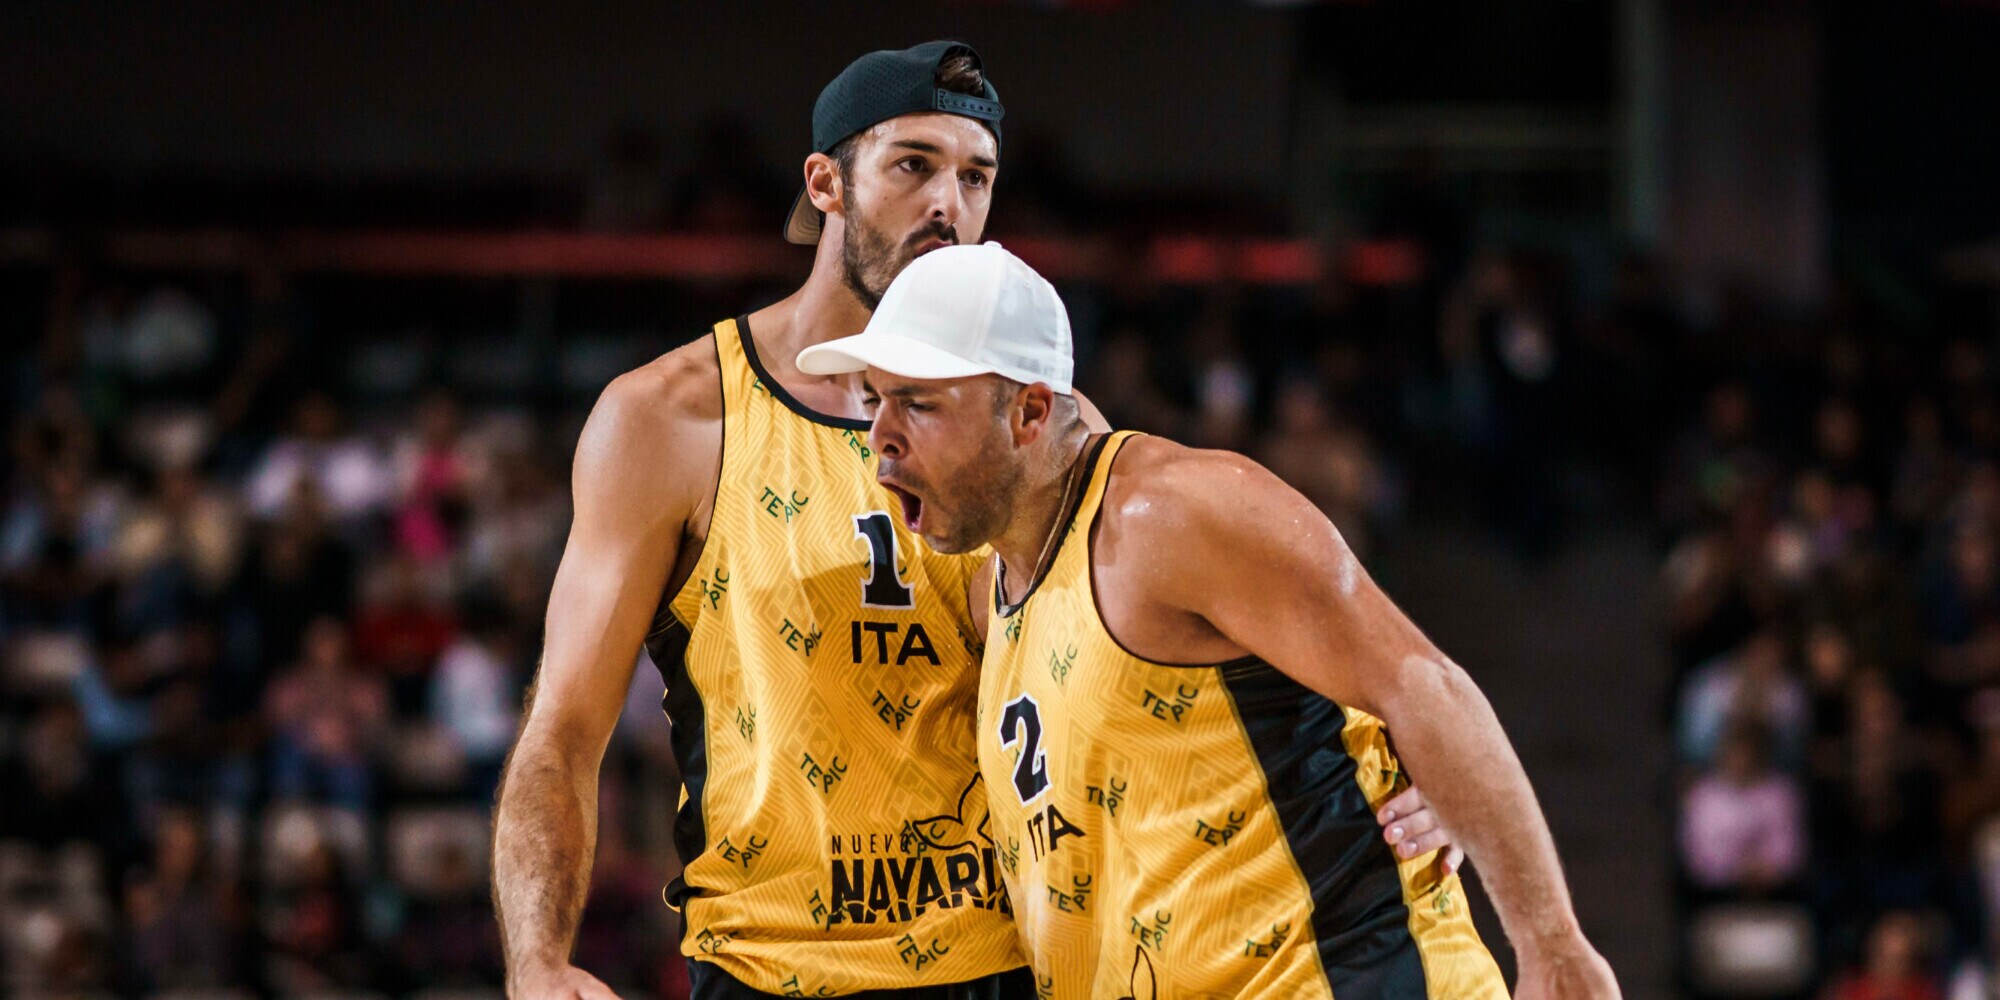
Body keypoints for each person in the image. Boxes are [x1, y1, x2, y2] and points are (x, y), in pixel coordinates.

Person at [494, 41, 1458, 1000]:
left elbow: (1250, 608)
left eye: (977, 175)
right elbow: (564, 728)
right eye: (913, 165)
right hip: (773, 968)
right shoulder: (669, 418)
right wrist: (537, 962)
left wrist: (1436, 764)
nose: (947, 206)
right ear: (826, 182)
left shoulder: (1039, 418)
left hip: (1019, 964)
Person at [795, 243, 1619, 999]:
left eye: (918, 403)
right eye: (876, 402)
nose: (881, 437)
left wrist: (1551, 942)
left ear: (1030, 415)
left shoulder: (1174, 513)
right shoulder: (995, 591)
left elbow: (1421, 683)